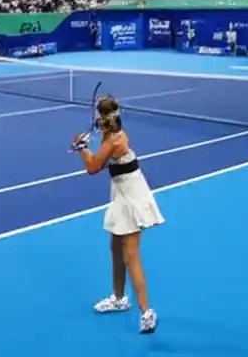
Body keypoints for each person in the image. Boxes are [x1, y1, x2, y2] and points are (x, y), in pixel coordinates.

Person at [73, 96, 163, 334]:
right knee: (115, 247)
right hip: (122, 193)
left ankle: (146, 312)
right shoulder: (110, 134)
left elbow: (93, 167)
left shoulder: (114, 140)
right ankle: (119, 298)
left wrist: (82, 149)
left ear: (101, 117)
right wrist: (90, 141)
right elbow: (101, 152)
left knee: (131, 254)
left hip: (133, 197)